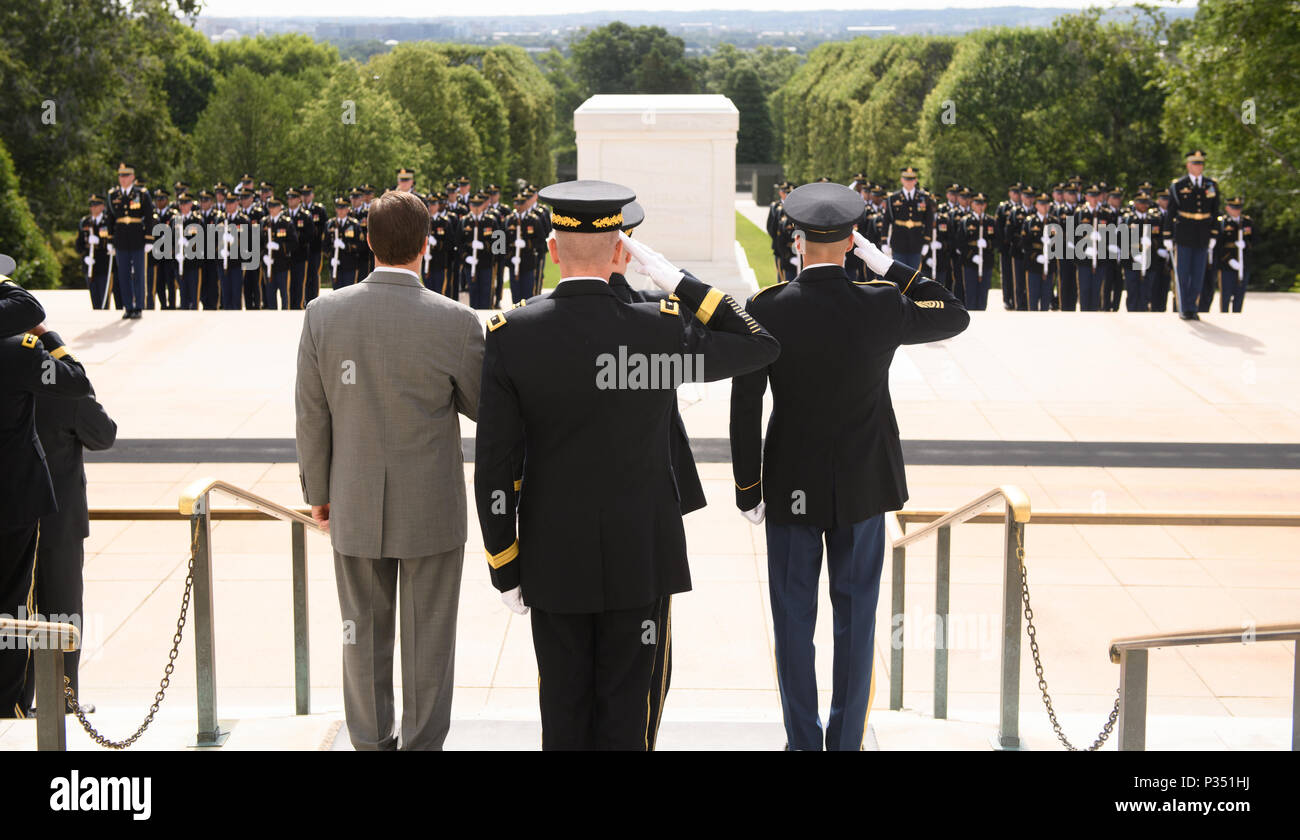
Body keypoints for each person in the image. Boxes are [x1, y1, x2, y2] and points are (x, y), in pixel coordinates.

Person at [473, 180, 779, 750]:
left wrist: (503, 562)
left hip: (553, 556)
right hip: (641, 554)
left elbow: (494, 465)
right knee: (630, 716)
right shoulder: (659, 329)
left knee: (564, 714)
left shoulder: (513, 334)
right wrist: (677, 280)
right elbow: (760, 343)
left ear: (552, 249)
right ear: (622, 252)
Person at [729, 182, 969, 750]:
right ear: (852, 241)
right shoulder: (882, 302)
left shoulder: (767, 308)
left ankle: (802, 742)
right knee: (858, 623)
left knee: (793, 622)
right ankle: (844, 743)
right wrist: (889, 266)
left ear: (797, 240)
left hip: (790, 487)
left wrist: (748, 487)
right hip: (863, 485)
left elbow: (746, 404)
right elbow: (953, 314)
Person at [296, 190, 484, 750]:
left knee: (361, 636)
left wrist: (319, 491)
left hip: (352, 500)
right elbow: (485, 408)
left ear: (367, 241)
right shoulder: (455, 321)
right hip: (431, 507)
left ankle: (372, 743)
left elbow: (312, 415)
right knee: (430, 640)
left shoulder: (323, 314)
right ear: (426, 245)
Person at [0, 280, 93, 718]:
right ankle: (12, 703)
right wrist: (49, 338)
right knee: (15, 603)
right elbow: (76, 381)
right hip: (15, 499)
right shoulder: (20, 352)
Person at [31, 389, 116, 707]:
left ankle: (13, 701)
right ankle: (62, 699)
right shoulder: (63, 384)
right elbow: (103, 433)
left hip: (12, 520)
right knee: (62, 611)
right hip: (58, 523)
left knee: (11, 613)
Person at [1166, 150, 1219, 320]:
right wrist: (1167, 235)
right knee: (1183, 273)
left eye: (1201, 164)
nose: (1198, 167)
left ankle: (1192, 307)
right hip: (1184, 233)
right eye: (1195, 163)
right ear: (1188, 165)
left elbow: (1215, 211)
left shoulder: (1210, 185)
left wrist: (1214, 234)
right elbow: (1171, 211)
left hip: (1203, 234)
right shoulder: (1178, 185)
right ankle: (1183, 308)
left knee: (1198, 274)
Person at [105, 162, 154, 319]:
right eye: (121, 176)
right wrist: (110, 240)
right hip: (121, 239)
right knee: (123, 275)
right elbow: (110, 219)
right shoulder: (113, 195)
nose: (123, 179)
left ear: (132, 177)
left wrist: (149, 239)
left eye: (126, 176)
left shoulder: (142, 194)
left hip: (137, 238)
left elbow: (149, 216)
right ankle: (128, 306)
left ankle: (138, 306)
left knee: (139, 274)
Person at [882, 166, 933, 270]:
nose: (909, 182)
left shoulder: (924, 198)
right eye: (906, 179)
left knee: (914, 275)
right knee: (899, 274)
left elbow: (929, 221)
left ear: (916, 180)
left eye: (911, 179)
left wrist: (927, 242)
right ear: (902, 180)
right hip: (898, 243)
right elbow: (886, 220)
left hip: (917, 243)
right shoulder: (893, 198)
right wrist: (884, 241)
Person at [955, 193, 996, 311]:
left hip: (986, 261)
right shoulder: (965, 221)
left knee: (983, 293)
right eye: (977, 204)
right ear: (972, 205)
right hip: (970, 262)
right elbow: (960, 243)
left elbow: (998, 241)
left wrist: (987, 244)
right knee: (971, 293)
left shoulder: (991, 221)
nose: (980, 206)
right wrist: (972, 256)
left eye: (982, 204)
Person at [1211, 197, 1253, 313]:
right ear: (1227, 208)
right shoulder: (1222, 223)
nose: (1237, 211)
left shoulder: (1247, 222)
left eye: (1238, 208)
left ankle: (1237, 315)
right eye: (1234, 208)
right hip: (1226, 264)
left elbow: (1255, 240)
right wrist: (1229, 259)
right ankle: (1224, 315)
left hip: (1243, 263)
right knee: (1226, 293)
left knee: (1240, 293)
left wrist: (1246, 244)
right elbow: (1218, 245)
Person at [75, 195, 114, 310]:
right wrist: (85, 257)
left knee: (104, 298)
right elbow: (79, 244)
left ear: (102, 206)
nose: (93, 208)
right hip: (90, 266)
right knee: (94, 298)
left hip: (104, 265)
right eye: (91, 205)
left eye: (96, 205)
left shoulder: (107, 221)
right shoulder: (85, 222)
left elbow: (111, 240)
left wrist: (100, 241)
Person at [261, 197, 297, 310]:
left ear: (280, 207)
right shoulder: (264, 222)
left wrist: (279, 247)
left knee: (284, 294)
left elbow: (294, 243)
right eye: (270, 207)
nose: (271, 209)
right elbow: (258, 243)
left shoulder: (286, 223)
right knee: (270, 295)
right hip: (269, 265)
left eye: (274, 207)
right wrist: (263, 256)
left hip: (282, 265)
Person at [323, 196, 364, 290]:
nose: (341, 210)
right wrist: (331, 257)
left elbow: (361, 245)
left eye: (343, 208)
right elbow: (324, 245)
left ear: (348, 209)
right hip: (335, 266)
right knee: (336, 293)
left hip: (350, 265)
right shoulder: (330, 224)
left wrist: (345, 246)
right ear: (336, 209)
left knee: (349, 293)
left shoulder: (354, 224)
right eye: (338, 208)